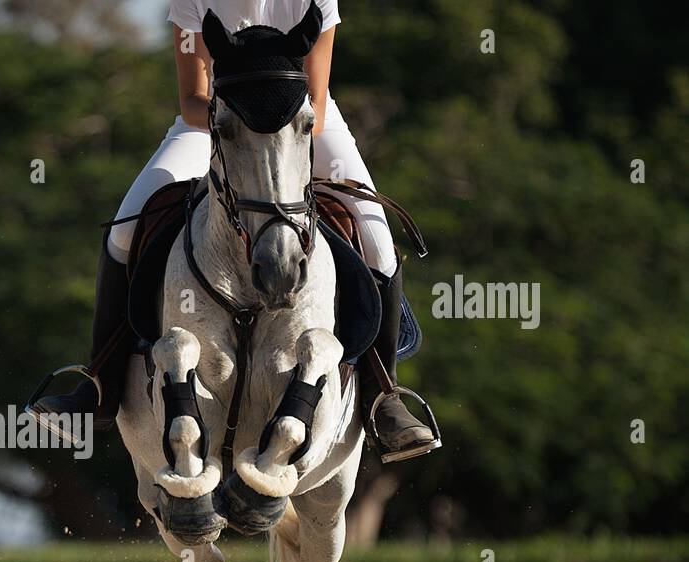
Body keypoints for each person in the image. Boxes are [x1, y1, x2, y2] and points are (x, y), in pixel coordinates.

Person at [31, 0, 438, 462]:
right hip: (216, 122)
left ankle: (384, 398)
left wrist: (272, 142)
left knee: (377, 237)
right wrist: (236, 130)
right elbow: (191, 97)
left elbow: (317, 101)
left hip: (301, 120)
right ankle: (98, 385)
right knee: (124, 230)